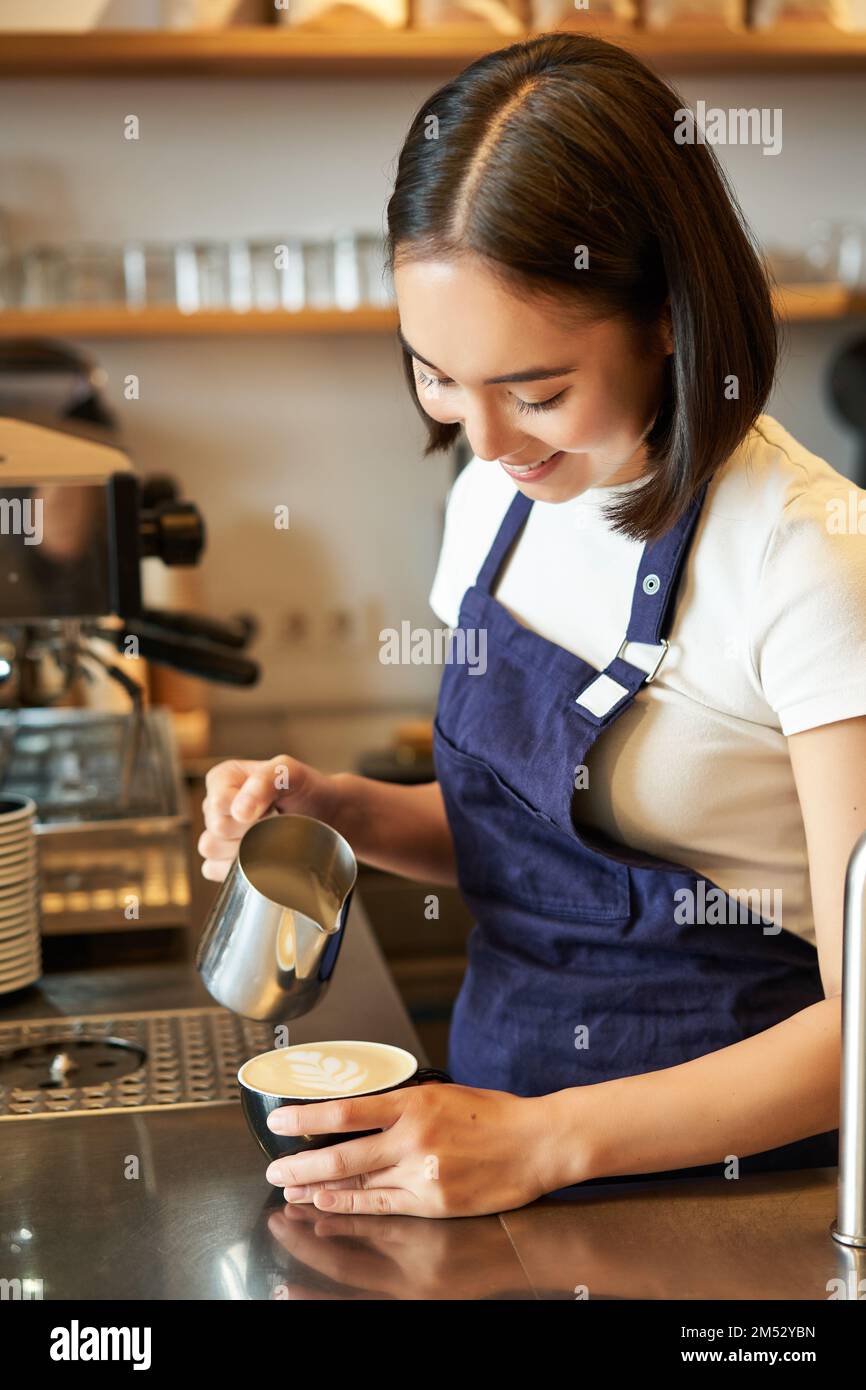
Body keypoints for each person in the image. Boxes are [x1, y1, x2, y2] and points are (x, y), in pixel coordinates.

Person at [199, 33, 866, 1218]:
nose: (487, 443)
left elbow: (864, 1025)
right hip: (492, 1169)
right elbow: (535, 854)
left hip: (737, 1204)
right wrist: (339, 811)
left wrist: (544, 1141)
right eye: (436, 377)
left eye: (538, 389)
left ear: (667, 315)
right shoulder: (489, 506)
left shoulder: (809, 557)